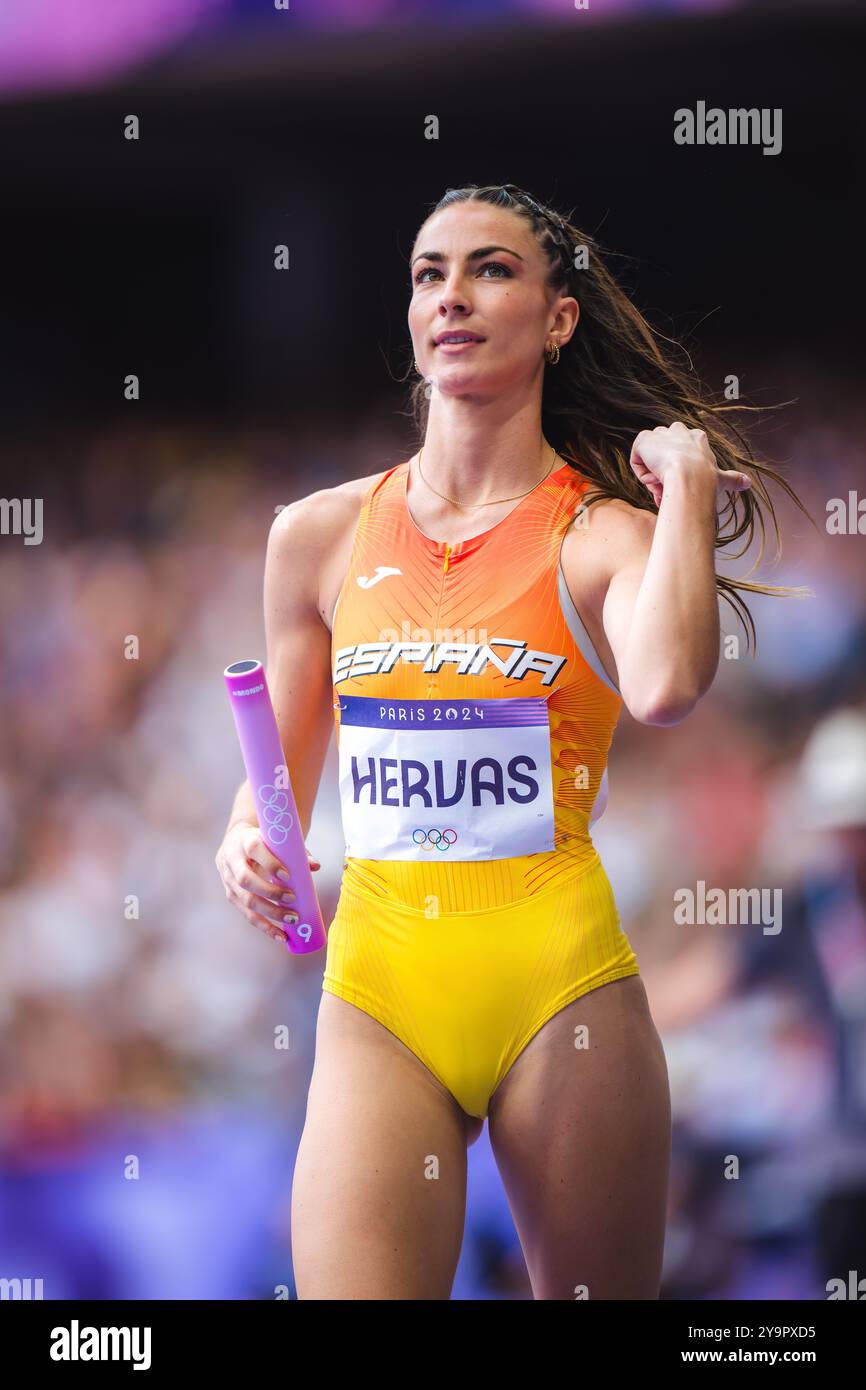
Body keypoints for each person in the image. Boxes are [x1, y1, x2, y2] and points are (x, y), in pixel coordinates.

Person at [215, 183, 810, 1299]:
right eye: (428, 273)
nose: (451, 295)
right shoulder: (314, 538)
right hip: (380, 991)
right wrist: (242, 842)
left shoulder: (601, 535)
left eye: (489, 269)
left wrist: (682, 497)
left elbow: (669, 686)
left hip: (559, 989)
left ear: (556, 318)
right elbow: (273, 794)